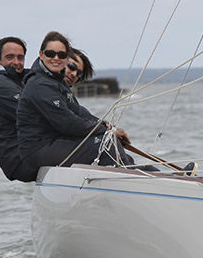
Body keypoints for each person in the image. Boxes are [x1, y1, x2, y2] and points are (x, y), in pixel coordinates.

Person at [17, 31, 135, 173]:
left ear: (65, 58)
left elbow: (80, 113)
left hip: (55, 143)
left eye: (61, 55)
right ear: (41, 54)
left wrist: (110, 129)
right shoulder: (39, 84)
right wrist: (106, 132)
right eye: (50, 53)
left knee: (119, 150)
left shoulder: (56, 82)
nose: (56, 58)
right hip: (38, 149)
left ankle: (156, 179)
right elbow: (67, 123)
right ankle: (134, 186)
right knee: (109, 144)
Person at [0, 36, 38, 182]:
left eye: (20, 57)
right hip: (19, 162)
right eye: (10, 57)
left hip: (28, 152)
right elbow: (36, 117)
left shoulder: (19, 80)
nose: (16, 62)